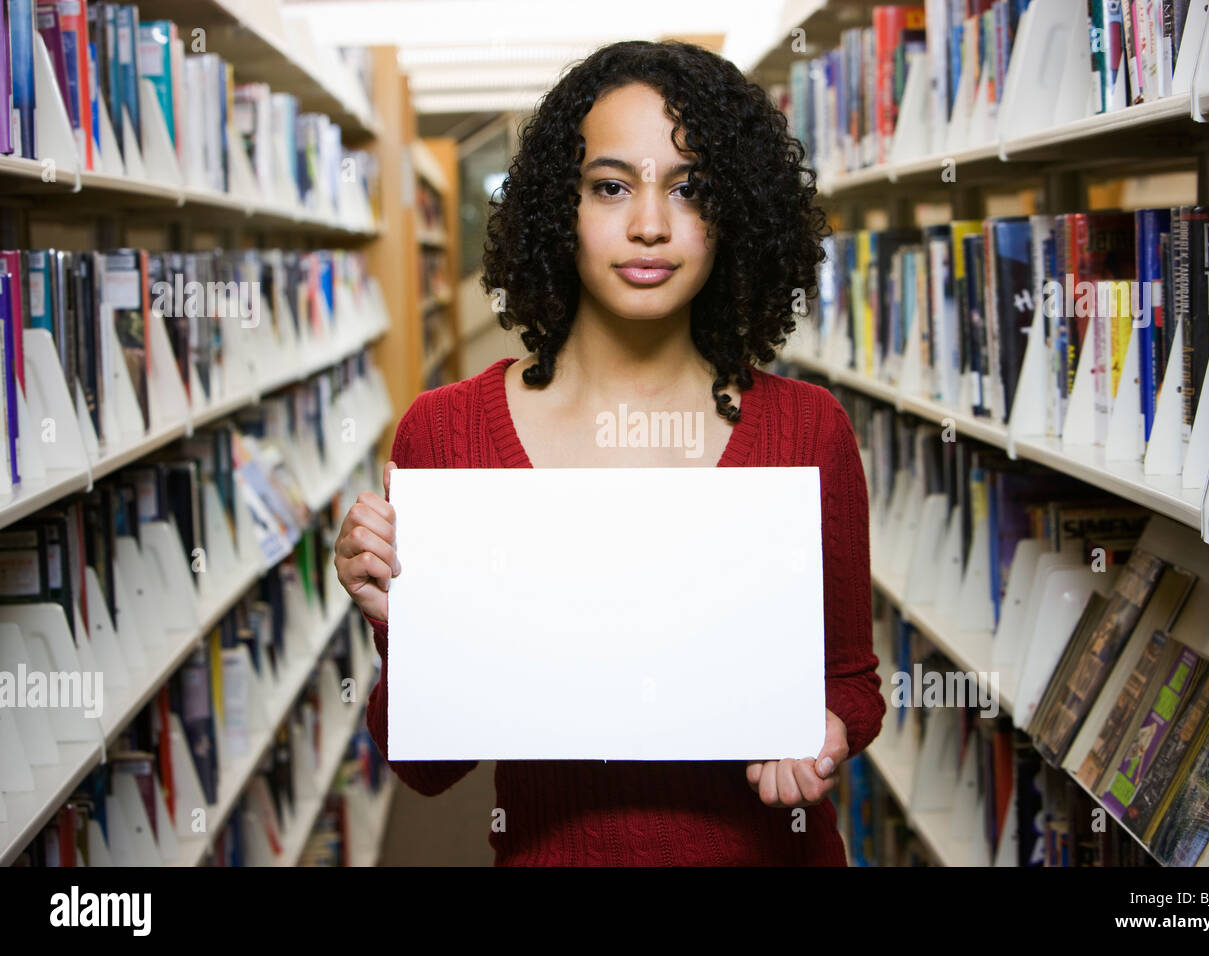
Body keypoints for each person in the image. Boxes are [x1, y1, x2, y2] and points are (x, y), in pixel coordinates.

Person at [333, 39, 884, 865]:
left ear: (736, 210)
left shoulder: (810, 431)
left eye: (690, 188)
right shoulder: (445, 434)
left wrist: (826, 730)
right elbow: (425, 765)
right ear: (563, 206)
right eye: (611, 186)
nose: (651, 225)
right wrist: (401, 622)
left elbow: (852, 681)